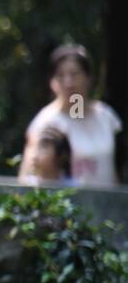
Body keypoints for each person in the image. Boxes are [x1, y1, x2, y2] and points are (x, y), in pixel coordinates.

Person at [20, 44, 121, 185]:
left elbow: (112, 170)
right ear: (52, 82)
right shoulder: (45, 121)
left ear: (89, 77)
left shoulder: (106, 117)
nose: (68, 83)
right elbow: (27, 176)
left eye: (74, 74)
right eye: (60, 76)